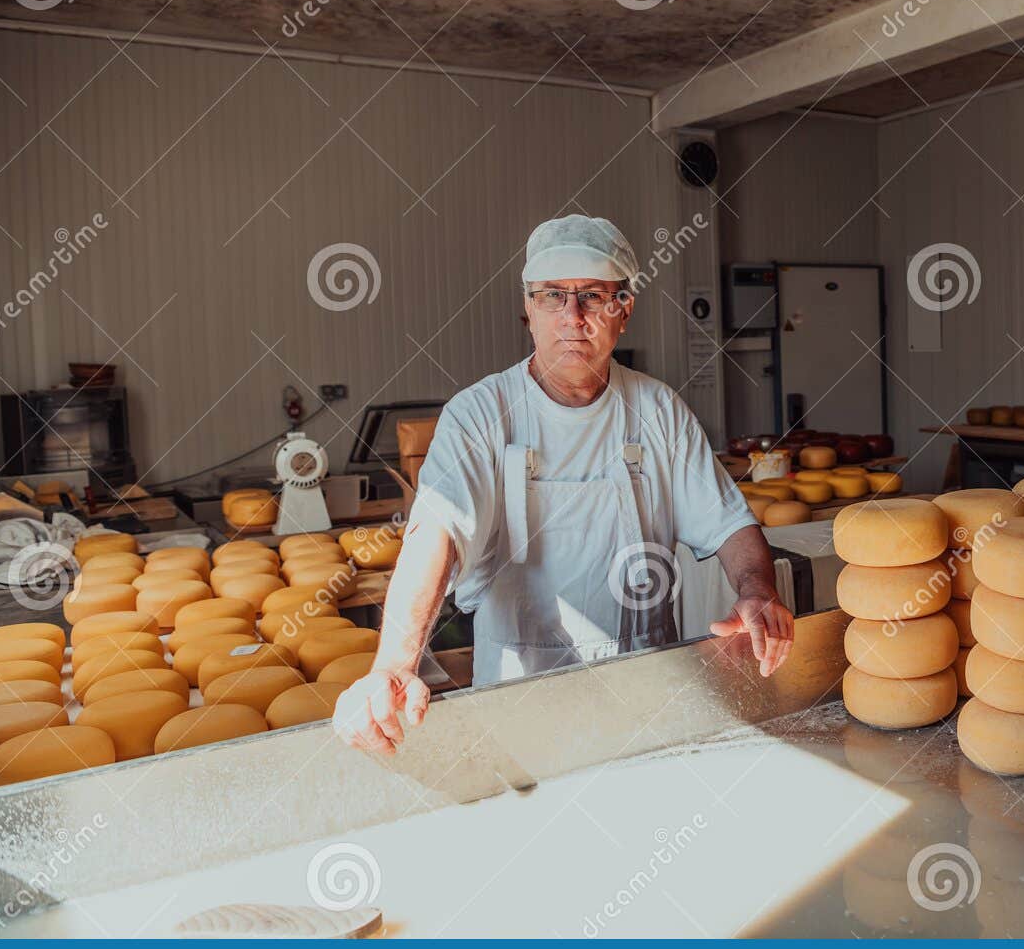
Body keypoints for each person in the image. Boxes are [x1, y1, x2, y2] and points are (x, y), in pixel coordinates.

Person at [335, 214, 794, 754]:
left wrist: (758, 592)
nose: (573, 317)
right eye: (553, 296)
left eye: (594, 296)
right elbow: (435, 532)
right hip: (517, 698)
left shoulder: (657, 410)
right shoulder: (483, 412)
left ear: (624, 309)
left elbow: (729, 524)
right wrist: (394, 662)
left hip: (645, 689)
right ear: (528, 308)